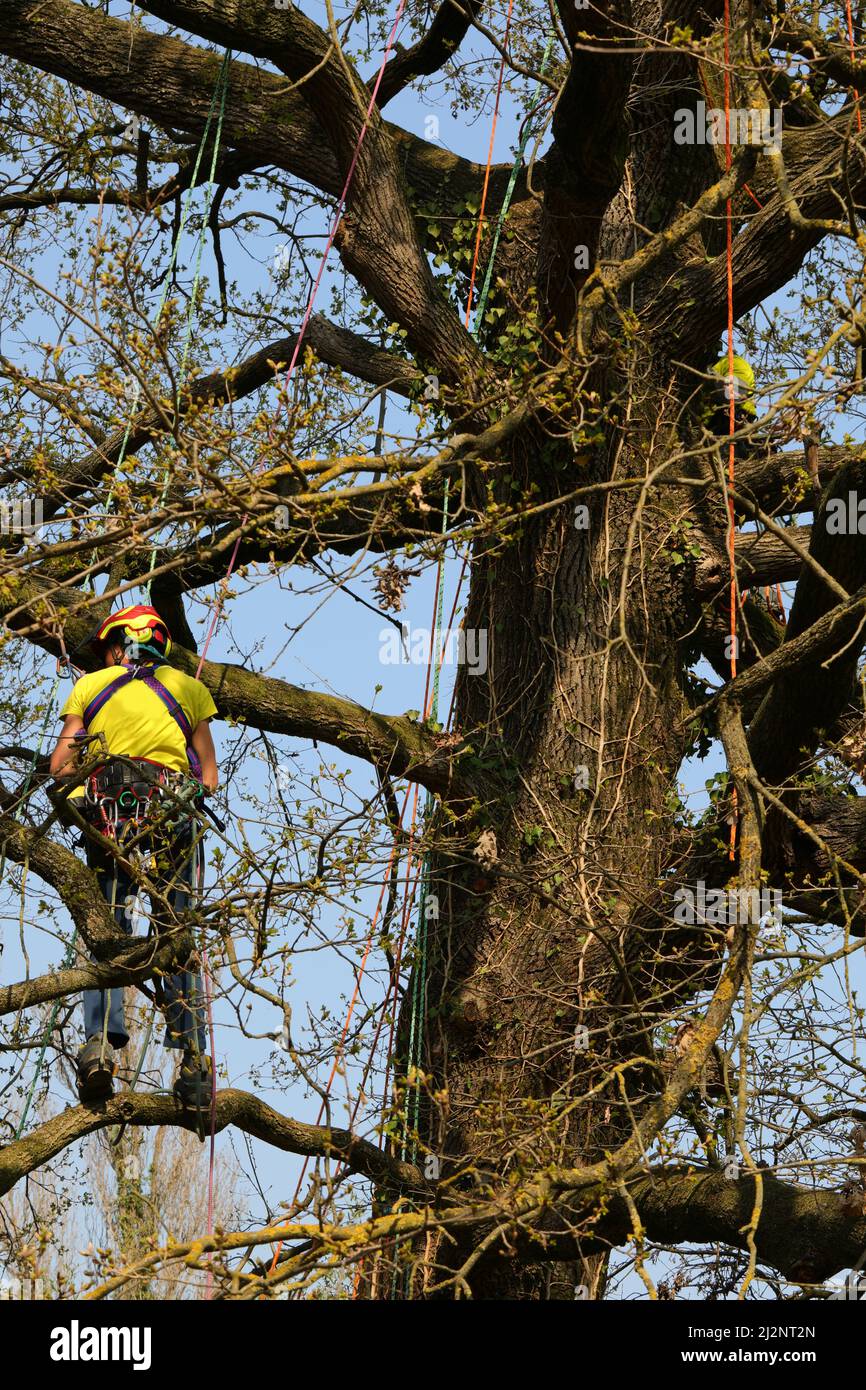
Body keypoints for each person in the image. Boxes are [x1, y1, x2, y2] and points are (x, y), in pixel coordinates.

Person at [48, 604, 219, 1111]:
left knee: (106, 928)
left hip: (109, 811)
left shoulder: (91, 686)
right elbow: (208, 774)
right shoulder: (187, 687)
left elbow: (61, 765)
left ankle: (99, 1047)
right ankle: (193, 1061)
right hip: (173, 809)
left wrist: (72, 791)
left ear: (118, 645)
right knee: (179, 928)